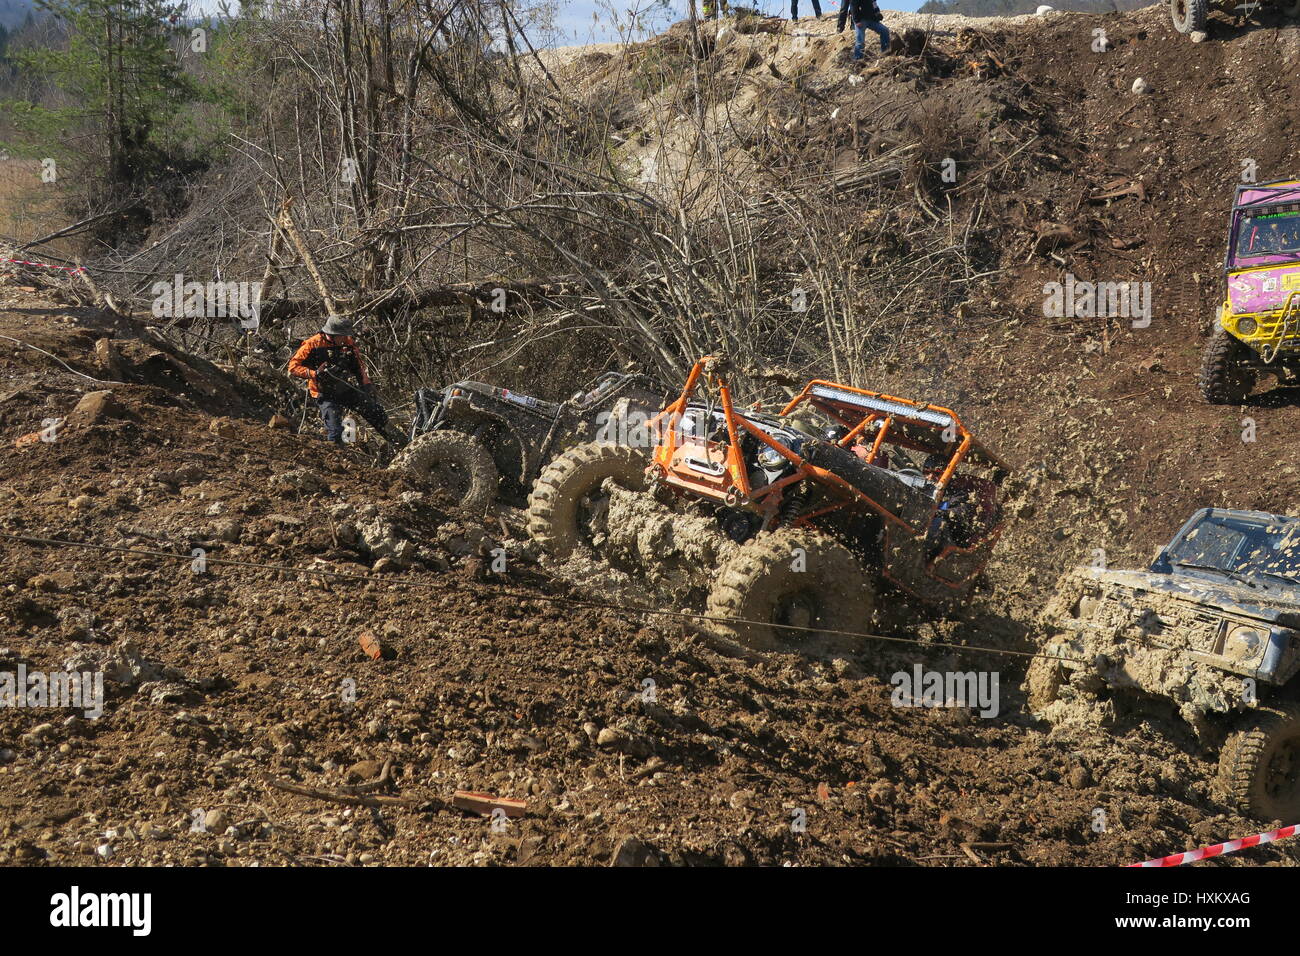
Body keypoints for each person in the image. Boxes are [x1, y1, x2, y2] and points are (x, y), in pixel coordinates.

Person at [288, 316, 403, 446]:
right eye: (342, 336)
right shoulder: (312, 344)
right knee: (336, 432)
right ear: (332, 334)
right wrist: (314, 373)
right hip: (324, 394)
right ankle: (338, 461)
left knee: (375, 412)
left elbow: (358, 366)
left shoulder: (347, 342)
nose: (345, 338)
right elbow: (293, 367)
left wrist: (366, 385)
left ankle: (400, 443)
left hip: (345, 388)